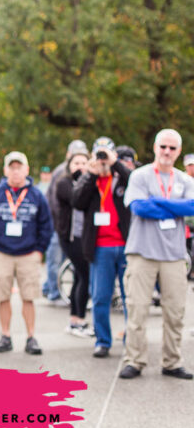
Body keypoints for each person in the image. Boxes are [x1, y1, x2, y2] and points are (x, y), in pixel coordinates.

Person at [120, 128, 194, 379]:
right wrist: (175, 208)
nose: (167, 152)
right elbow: (140, 208)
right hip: (142, 253)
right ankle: (135, 360)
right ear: (155, 147)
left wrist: (159, 201)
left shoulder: (185, 180)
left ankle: (172, 361)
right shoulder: (139, 176)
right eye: (163, 146)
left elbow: (192, 206)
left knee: (175, 312)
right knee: (137, 310)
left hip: (173, 255)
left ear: (179, 152)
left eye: (172, 148)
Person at [0, 150, 53, 355]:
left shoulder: (37, 195)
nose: (16, 171)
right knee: (3, 295)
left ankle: (31, 337)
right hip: (1, 252)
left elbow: (46, 225)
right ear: (5, 170)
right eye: (12, 167)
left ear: (26, 170)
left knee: (29, 296)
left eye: (19, 167)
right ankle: (5, 335)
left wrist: (40, 250)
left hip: (28, 254)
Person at [72, 138, 131, 358]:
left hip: (125, 245)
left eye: (106, 155)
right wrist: (91, 173)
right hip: (99, 247)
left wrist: (115, 164)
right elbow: (77, 201)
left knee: (129, 297)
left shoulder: (122, 178)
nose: (103, 160)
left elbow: (133, 182)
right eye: (100, 155)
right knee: (100, 297)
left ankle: (130, 338)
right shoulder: (90, 179)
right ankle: (103, 340)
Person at [54, 146, 91, 335]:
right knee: (85, 275)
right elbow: (78, 200)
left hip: (85, 236)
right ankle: (79, 320)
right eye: (77, 163)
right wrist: (86, 178)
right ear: (70, 165)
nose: (81, 166)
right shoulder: (64, 183)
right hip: (70, 237)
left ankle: (75, 319)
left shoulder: (89, 182)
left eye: (84, 163)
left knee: (79, 276)